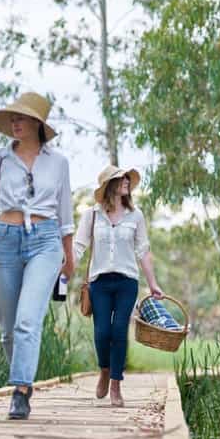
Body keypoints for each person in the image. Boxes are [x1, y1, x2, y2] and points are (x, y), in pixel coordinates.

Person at [0, 92, 75, 420]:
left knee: (27, 321)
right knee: (7, 328)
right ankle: (23, 377)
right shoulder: (0, 159)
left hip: (46, 242)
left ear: (37, 123)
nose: (14, 123)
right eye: (12, 119)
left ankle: (20, 391)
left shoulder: (58, 162)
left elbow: (65, 212)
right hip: (5, 240)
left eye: (20, 118)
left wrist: (69, 255)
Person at [74, 166, 163, 407]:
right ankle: (104, 369)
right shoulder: (92, 215)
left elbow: (143, 251)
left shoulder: (136, 216)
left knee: (119, 330)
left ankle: (115, 384)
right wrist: (64, 266)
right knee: (102, 332)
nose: (126, 181)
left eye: (127, 178)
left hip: (127, 282)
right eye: (121, 178)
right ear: (109, 185)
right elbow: (79, 246)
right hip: (99, 283)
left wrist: (153, 284)